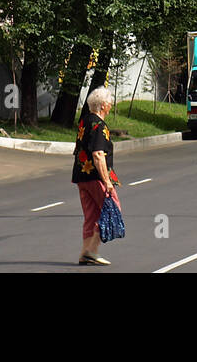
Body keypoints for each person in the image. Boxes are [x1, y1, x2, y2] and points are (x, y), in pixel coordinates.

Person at [73, 86, 120, 266]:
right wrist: (107, 182)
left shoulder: (85, 121)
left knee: (91, 216)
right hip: (96, 177)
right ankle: (92, 250)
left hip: (81, 175)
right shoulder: (99, 126)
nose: (110, 106)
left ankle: (84, 253)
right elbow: (98, 154)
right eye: (109, 103)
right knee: (112, 209)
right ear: (102, 106)